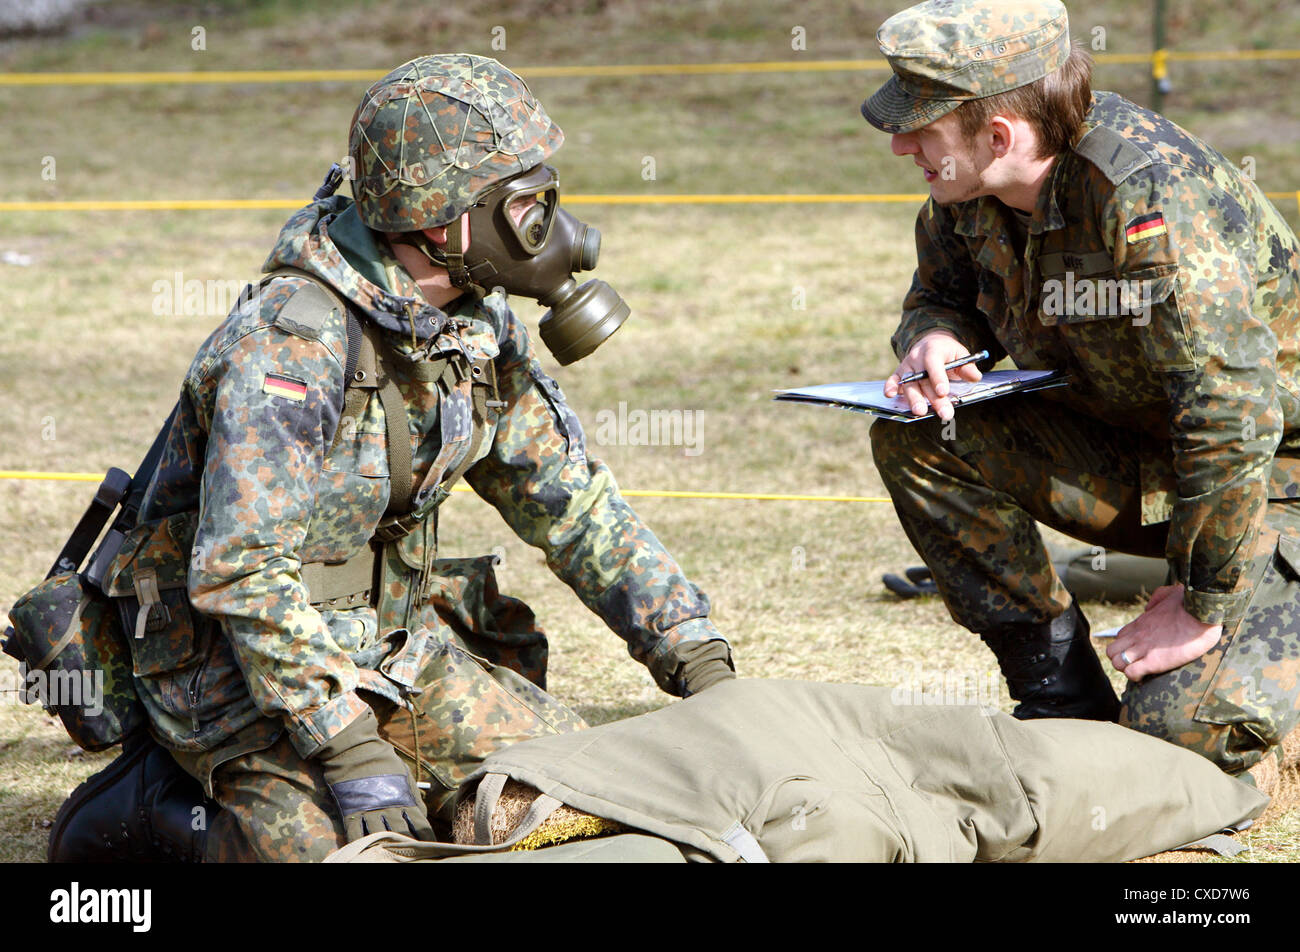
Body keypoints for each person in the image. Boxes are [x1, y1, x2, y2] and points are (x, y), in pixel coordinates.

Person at [50, 53, 734, 862]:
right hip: (234, 669)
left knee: (587, 799)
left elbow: (572, 504)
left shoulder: (478, 329)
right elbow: (240, 571)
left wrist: (696, 657)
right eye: (526, 206)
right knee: (335, 851)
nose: (550, 226)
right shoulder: (292, 344)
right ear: (442, 220)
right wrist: (347, 747)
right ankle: (154, 801)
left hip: (390, 648)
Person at [862, 0, 1300, 774]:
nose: (900, 146)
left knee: (1177, 741)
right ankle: (1059, 698)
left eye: (920, 129)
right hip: (1150, 461)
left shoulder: (1148, 196)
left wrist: (1204, 596)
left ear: (999, 135)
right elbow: (942, 296)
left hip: (1273, 478)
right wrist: (936, 338)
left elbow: (1231, 410)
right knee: (921, 431)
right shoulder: (968, 196)